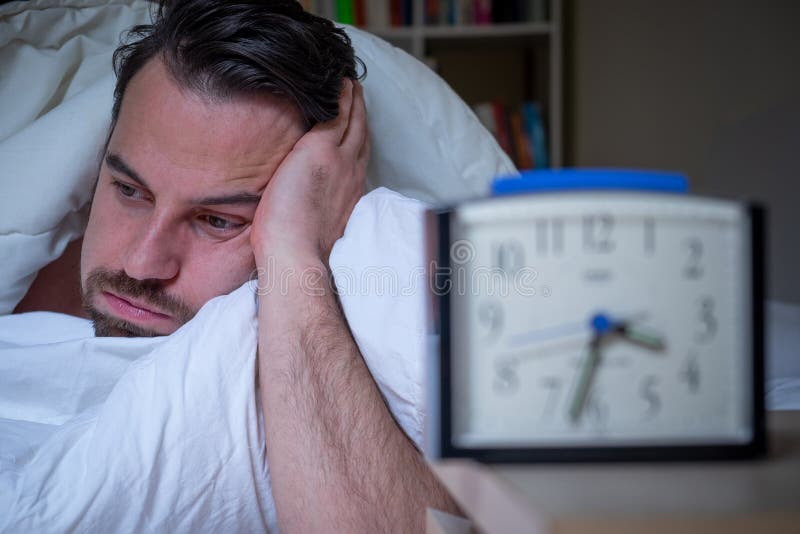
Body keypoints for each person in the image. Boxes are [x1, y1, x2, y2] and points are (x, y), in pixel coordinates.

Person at [12, 0, 461, 530]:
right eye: (130, 190)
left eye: (218, 220)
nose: (140, 263)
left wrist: (292, 248)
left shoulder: (376, 275)